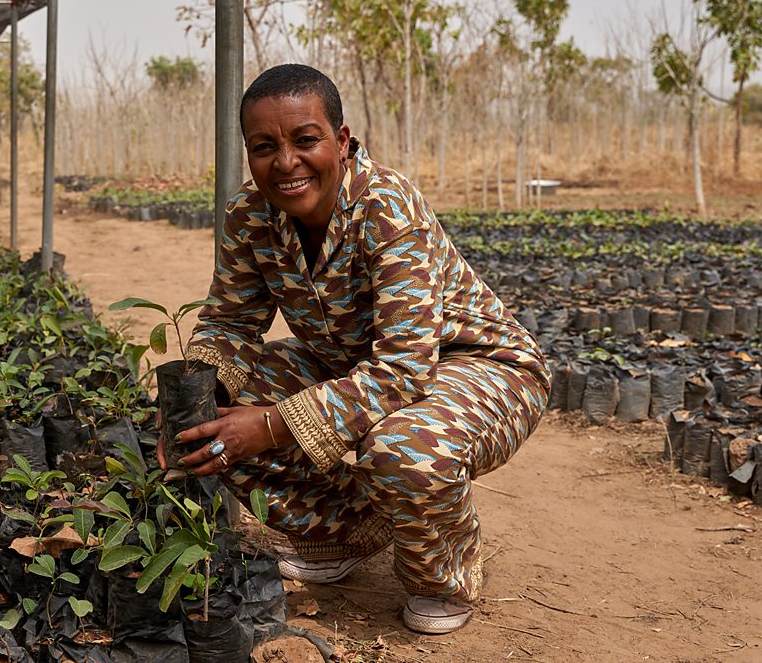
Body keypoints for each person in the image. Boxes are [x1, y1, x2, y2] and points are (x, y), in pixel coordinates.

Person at [167, 63, 550, 635]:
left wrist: (270, 426)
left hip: (474, 366)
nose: (286, 163)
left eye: (305, 140)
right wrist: (190, 401)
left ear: (341, 141)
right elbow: (229, 321)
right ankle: (347, 529)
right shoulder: (249, 215)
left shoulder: (386, 208)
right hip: (351, 363)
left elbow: (402, 368)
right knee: (210, 420)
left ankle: (443, 573)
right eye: (264, 146)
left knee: (403, 449)